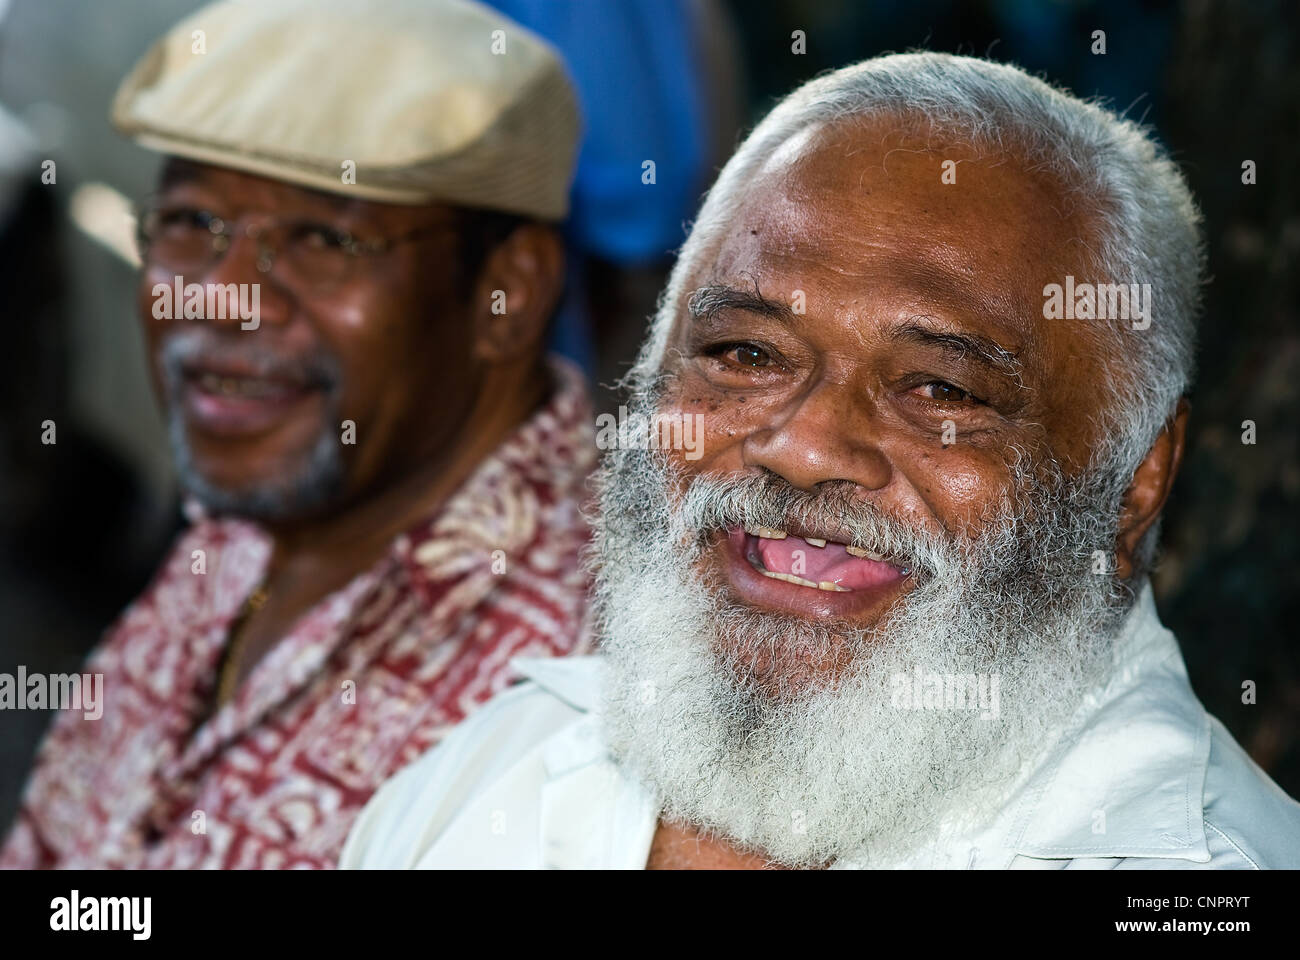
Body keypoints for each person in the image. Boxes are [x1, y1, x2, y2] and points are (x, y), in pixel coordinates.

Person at [341, 52, 1300, 870]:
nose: (800, 448)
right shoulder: (505, 762)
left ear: (1134, 482)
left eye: (941, 392)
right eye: (744, 354)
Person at [2, 0, 595, 869]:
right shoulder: (264, 506)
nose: (221, 297)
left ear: (509, 291)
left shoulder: (581, 677)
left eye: (323, 238)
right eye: (191, 225)